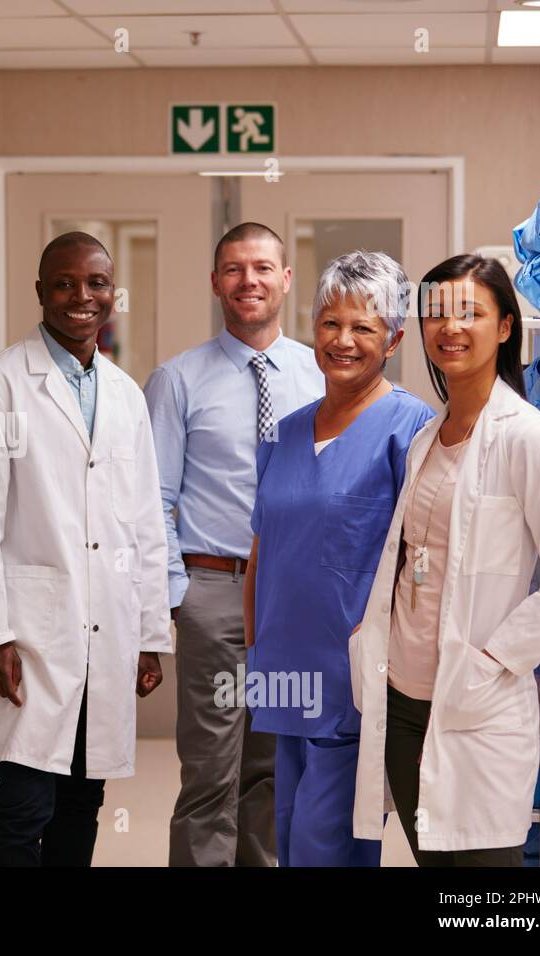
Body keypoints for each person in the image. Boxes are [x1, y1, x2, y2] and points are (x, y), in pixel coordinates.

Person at [349, 254, 540, 865]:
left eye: (471, 313)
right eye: (436, 313)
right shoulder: (426, 440)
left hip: (476, 704)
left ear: (506, 326)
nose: (450, 328)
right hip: (404, 699)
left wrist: (493, 658)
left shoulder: (527, 437)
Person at [0, 232, 169, 867]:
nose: (82, 297)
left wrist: (150, 632)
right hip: (29, 633)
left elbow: (146, 523)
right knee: (23, 804)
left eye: (97, 283)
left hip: (107, 627)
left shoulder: (126, 394)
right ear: (40, 291)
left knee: (83, 799)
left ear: (112, 292)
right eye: (65, 283)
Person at [242, 251, 434, 866]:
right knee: (292, 835)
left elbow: (423, 560)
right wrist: (254, 648)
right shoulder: (285, 432)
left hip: (353, 680)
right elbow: (262, 548)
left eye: (363, 328)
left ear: (395, 338)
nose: (342, 340)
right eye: (330, 323)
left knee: (323, 847)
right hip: (282, 671)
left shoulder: (412, 429)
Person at [145, 222, 325, 867]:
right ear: (216, 281)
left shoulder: (318, 373)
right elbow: (155, 499)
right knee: (210, 772)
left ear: (285, 279)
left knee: (272, 768)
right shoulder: (177, 379)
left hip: (293, 596)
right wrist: (177, 596)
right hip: (214, 589)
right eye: (233, 269)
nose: (248, 280)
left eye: (261, 268)